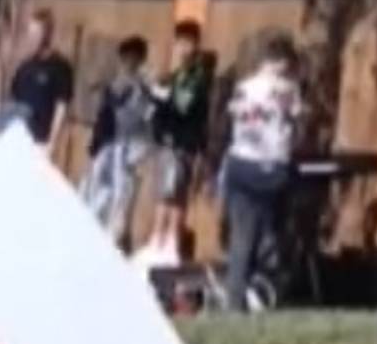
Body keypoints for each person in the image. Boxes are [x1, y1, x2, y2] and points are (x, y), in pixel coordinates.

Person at [219, 32, 305, 313]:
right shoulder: (287, 89)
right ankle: (265, 286)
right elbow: (297, 119)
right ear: (283, 62)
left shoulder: (243, 87)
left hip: (240, 163)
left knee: (241, 237)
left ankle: (234, 301)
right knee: (274, 230)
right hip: (271, 168)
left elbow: (233, 117)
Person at [146, 16, 216, 263]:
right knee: (162, 193)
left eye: (188, 43)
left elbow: (183, 106)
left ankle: (170, 243)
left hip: (182, 144)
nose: (183, 48)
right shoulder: (174, 74)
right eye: (180, 43)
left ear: (196, 46)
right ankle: (156, 241)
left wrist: (162, 96)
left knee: (175, 194)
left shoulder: (196, 77)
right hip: (165, 142)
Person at [85, 34, 153, 249]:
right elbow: (103, 114)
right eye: (124, 58)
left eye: (132, 59)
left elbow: (144, 122)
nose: (127, 63)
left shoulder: (144, 88)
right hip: (107, 146)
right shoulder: (114, 84)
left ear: (140, 60)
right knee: (95, 195)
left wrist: (136, 155)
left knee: (121, 201)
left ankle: (113, 245)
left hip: (129, 149)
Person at [0, 5, 75, 153]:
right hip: (18, 138)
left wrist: (52, 141)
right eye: (30, 32)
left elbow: (61, 106)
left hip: (41, 140)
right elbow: (14, 101)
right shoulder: (24, 67)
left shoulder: (59, 66)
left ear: (47, 34)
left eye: (36, 33)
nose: (32, 37)